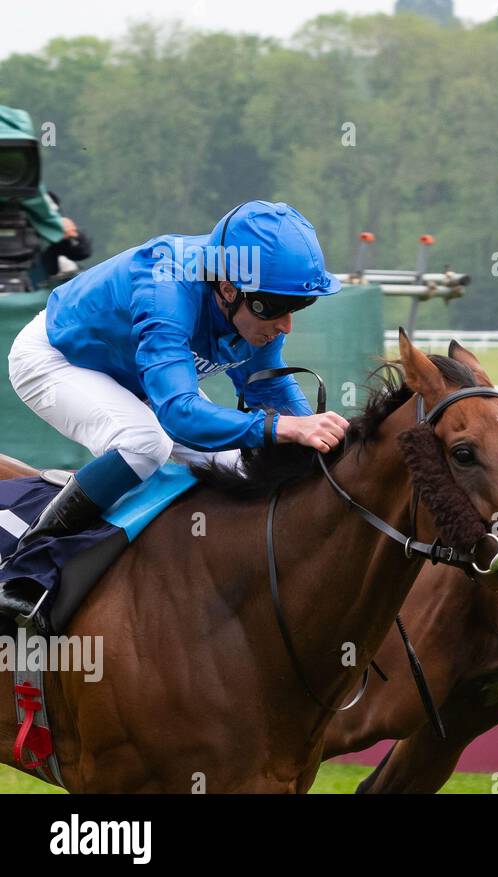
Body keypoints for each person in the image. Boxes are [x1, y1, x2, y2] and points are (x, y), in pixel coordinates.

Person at [1, 200, 349, 629]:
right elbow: (179, 415)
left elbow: (268, 388)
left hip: (140, 374)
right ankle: (24, 568)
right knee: (144, 444)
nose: (286, 325)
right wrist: (281, 427)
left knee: (237, 467)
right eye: (275, 306)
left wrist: (325, 439)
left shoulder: (250, 296)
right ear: (227, 289)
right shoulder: (166, 287)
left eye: (299, 305)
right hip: (57, 358)